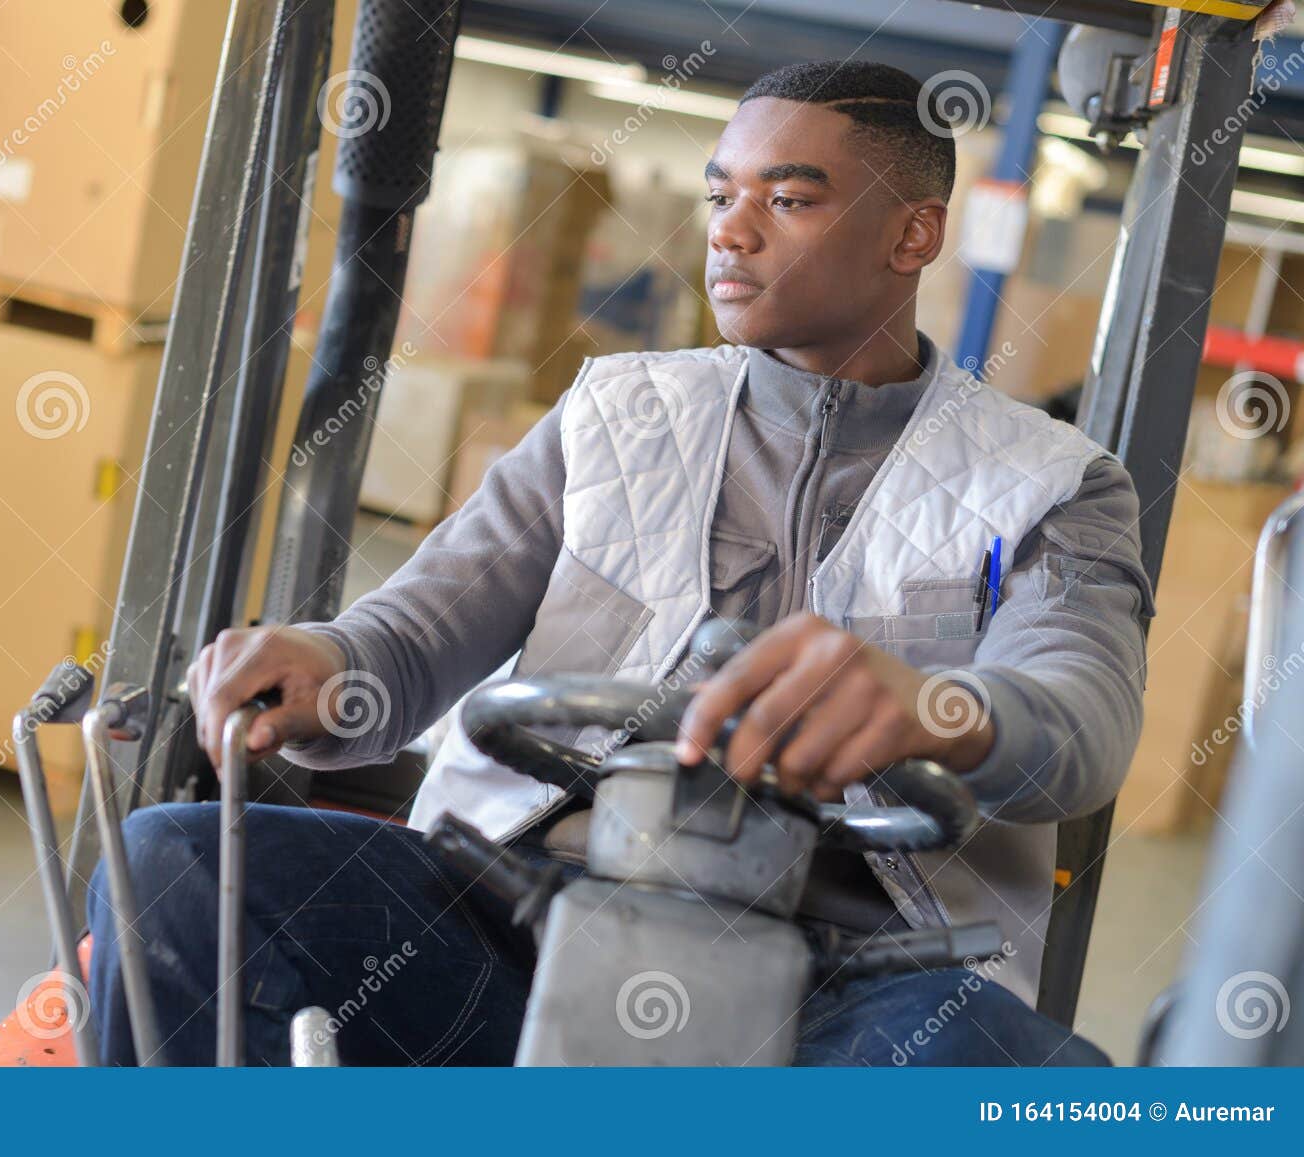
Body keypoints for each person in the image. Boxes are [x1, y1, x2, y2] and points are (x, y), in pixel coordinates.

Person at [88, 60, 1153, 1067]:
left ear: (912, 233)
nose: (729, 232)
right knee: (175, 865)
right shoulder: (615, 412)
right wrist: (323, 659)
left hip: (842, 980)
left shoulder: (1050, 482)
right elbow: (411, 634)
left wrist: (935, 708)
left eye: (787, 201)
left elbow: (1079, 712)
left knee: (1019, 1076)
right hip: (530, 912)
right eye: (719, 193)